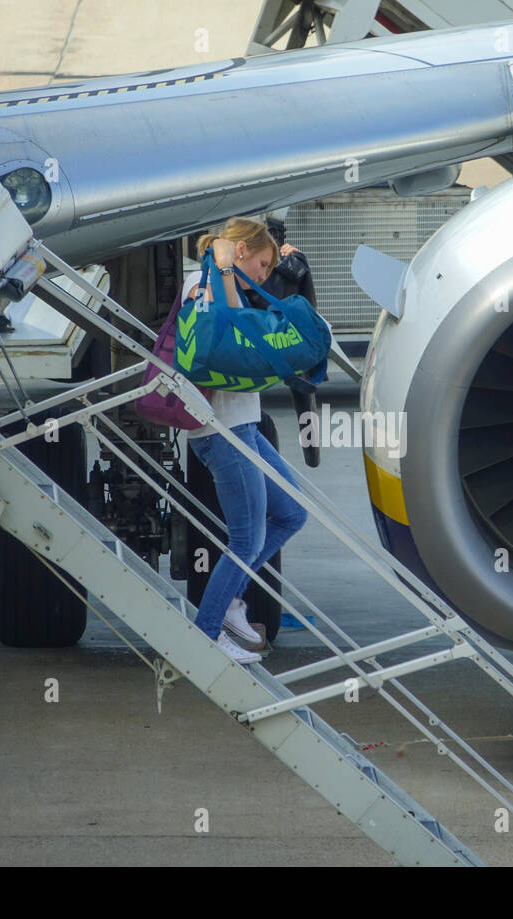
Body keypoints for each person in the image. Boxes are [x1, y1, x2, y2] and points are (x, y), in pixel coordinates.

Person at [183, 217, 307, 664]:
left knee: (291, 513)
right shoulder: (200, 284)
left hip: (244, 425)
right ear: (240, 251)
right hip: (220, 430)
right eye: (261, 262)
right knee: (246, 539)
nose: (264, 272)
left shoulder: (225, 278)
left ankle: (231, 602)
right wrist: (225, 271)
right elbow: (236, 329)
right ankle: (208, 631)